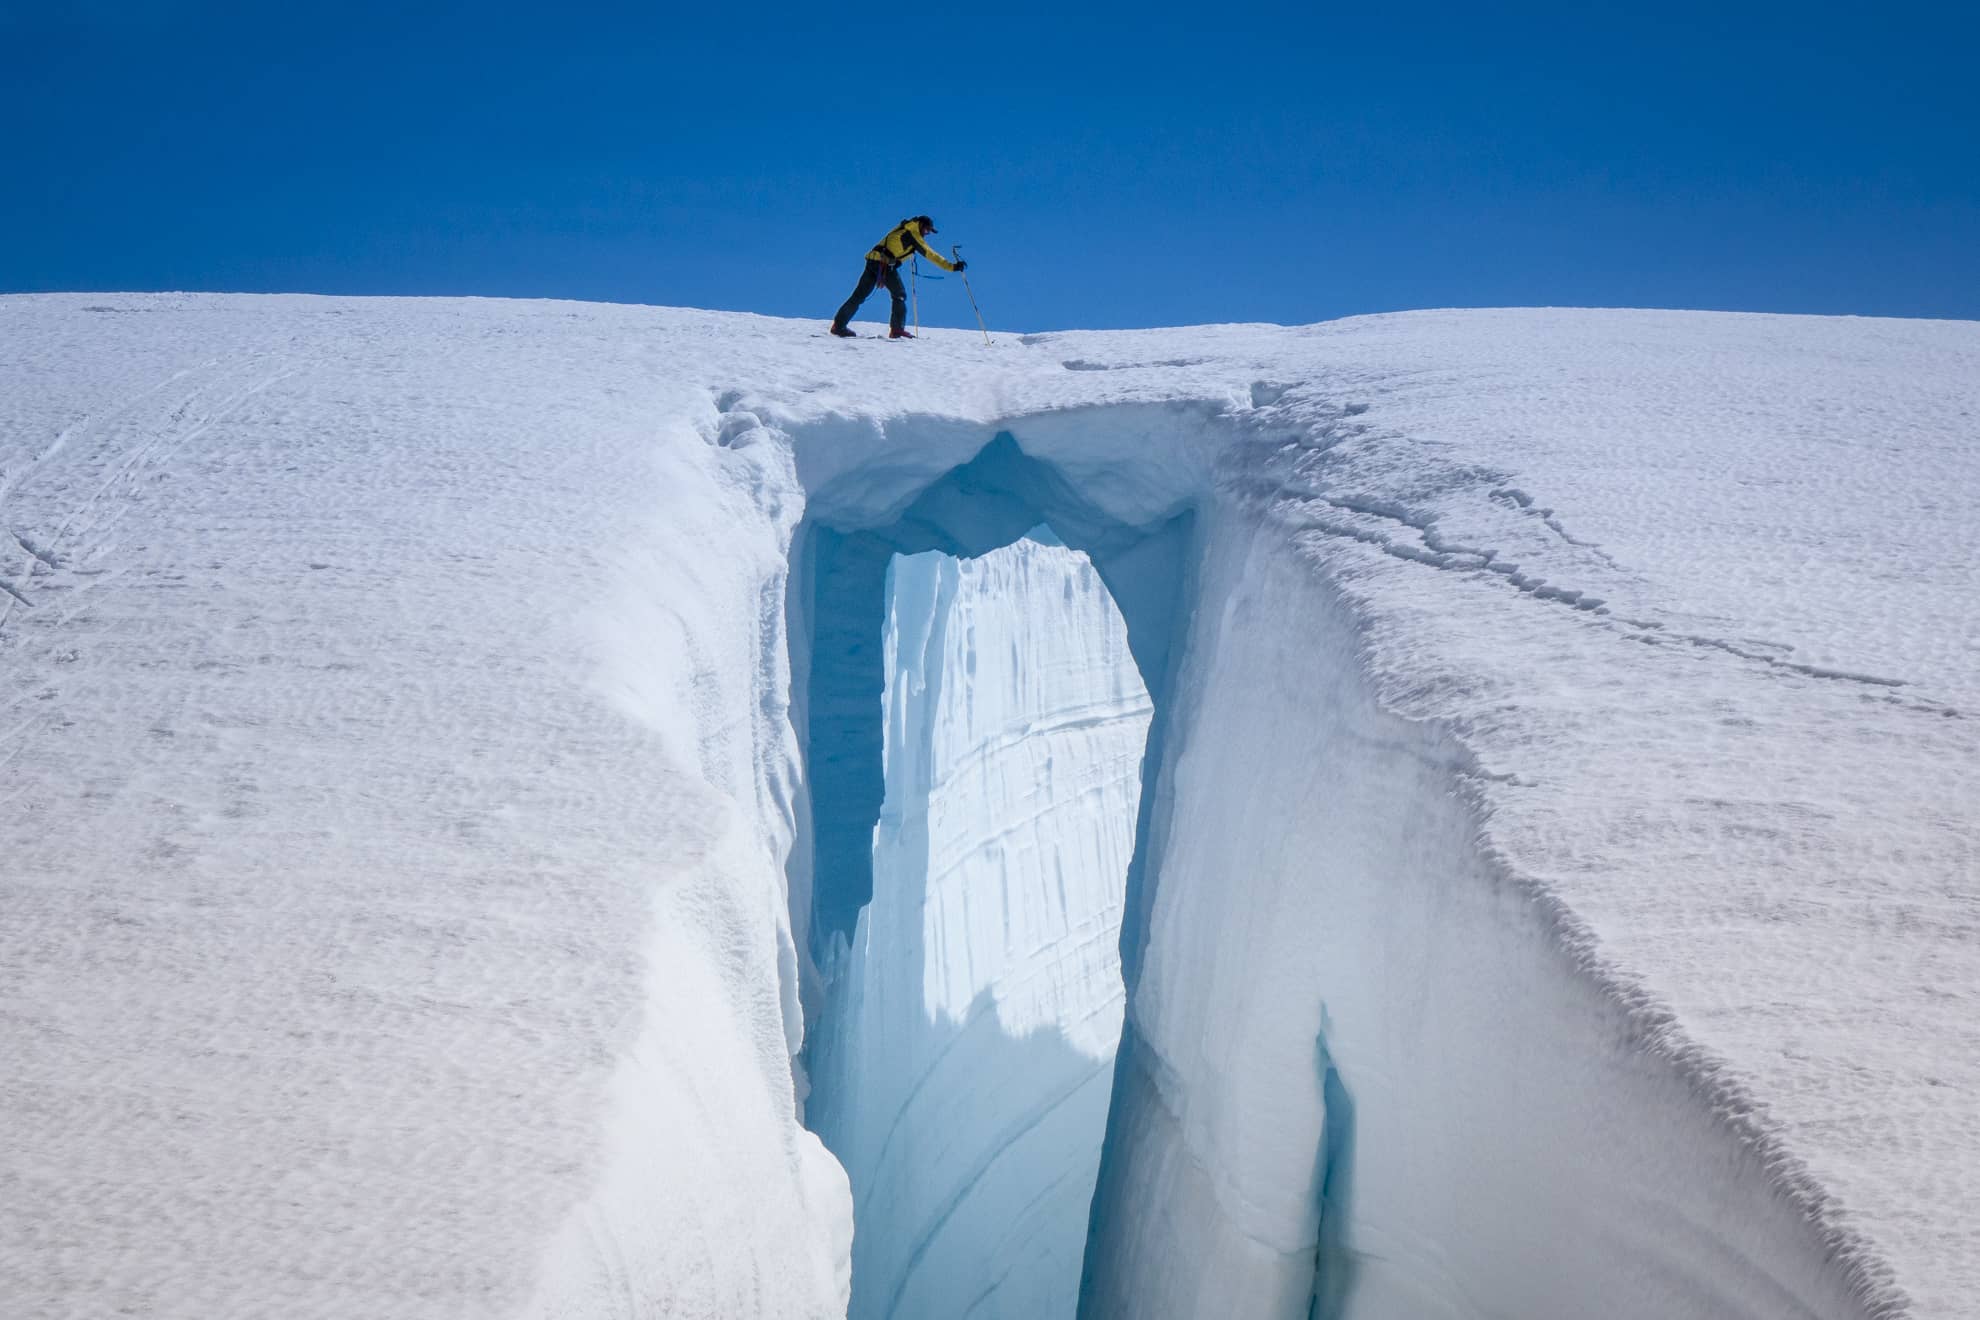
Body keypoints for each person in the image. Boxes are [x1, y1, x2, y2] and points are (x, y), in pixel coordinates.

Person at [829, 216, 966, 338]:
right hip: (884, 264)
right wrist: (952, 267)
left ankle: (838, 326)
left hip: (873, 260)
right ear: (920, 225)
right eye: (927, 230)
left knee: (859, 295)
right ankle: (897, 330)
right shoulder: (913, 234)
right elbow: (931, 254)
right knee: (899, 295)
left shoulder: (904, 228)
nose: (927, 233)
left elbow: (896, 245)